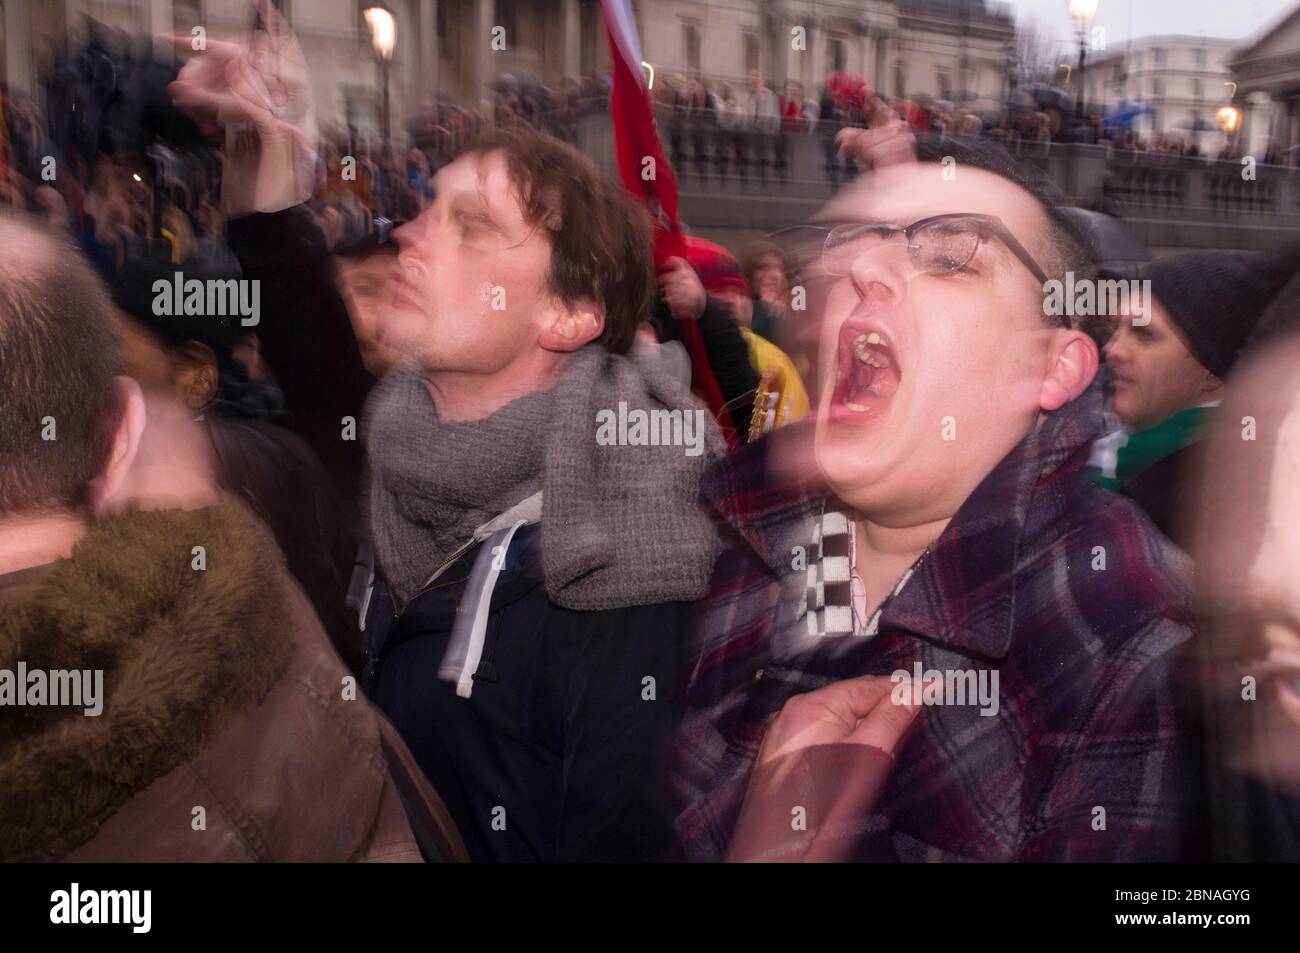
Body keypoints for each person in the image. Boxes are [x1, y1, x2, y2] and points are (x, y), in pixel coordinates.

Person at [673, 136, 1199, 862]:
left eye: (949, 255)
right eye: (843, 242)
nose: (852, 267)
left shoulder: (1139, 644)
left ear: (1055, 366)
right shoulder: (737, 531)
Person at [0, 214, 463, 863]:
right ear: (122, 429)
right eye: (352, 289)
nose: (368, 311)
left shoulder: (263, 491)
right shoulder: (260, 619)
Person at [359, 123, 725, 863]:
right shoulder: (397, 459)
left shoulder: (634, 549)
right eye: (430, 209)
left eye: (473, 226)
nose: (408, 234)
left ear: (567, 314)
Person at [1092, 251, 1296, 549]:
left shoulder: (1193, 505)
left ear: (1212, 373)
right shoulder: (1126, 458)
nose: (1112, 350)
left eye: (1145, 334)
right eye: (1115, 329)